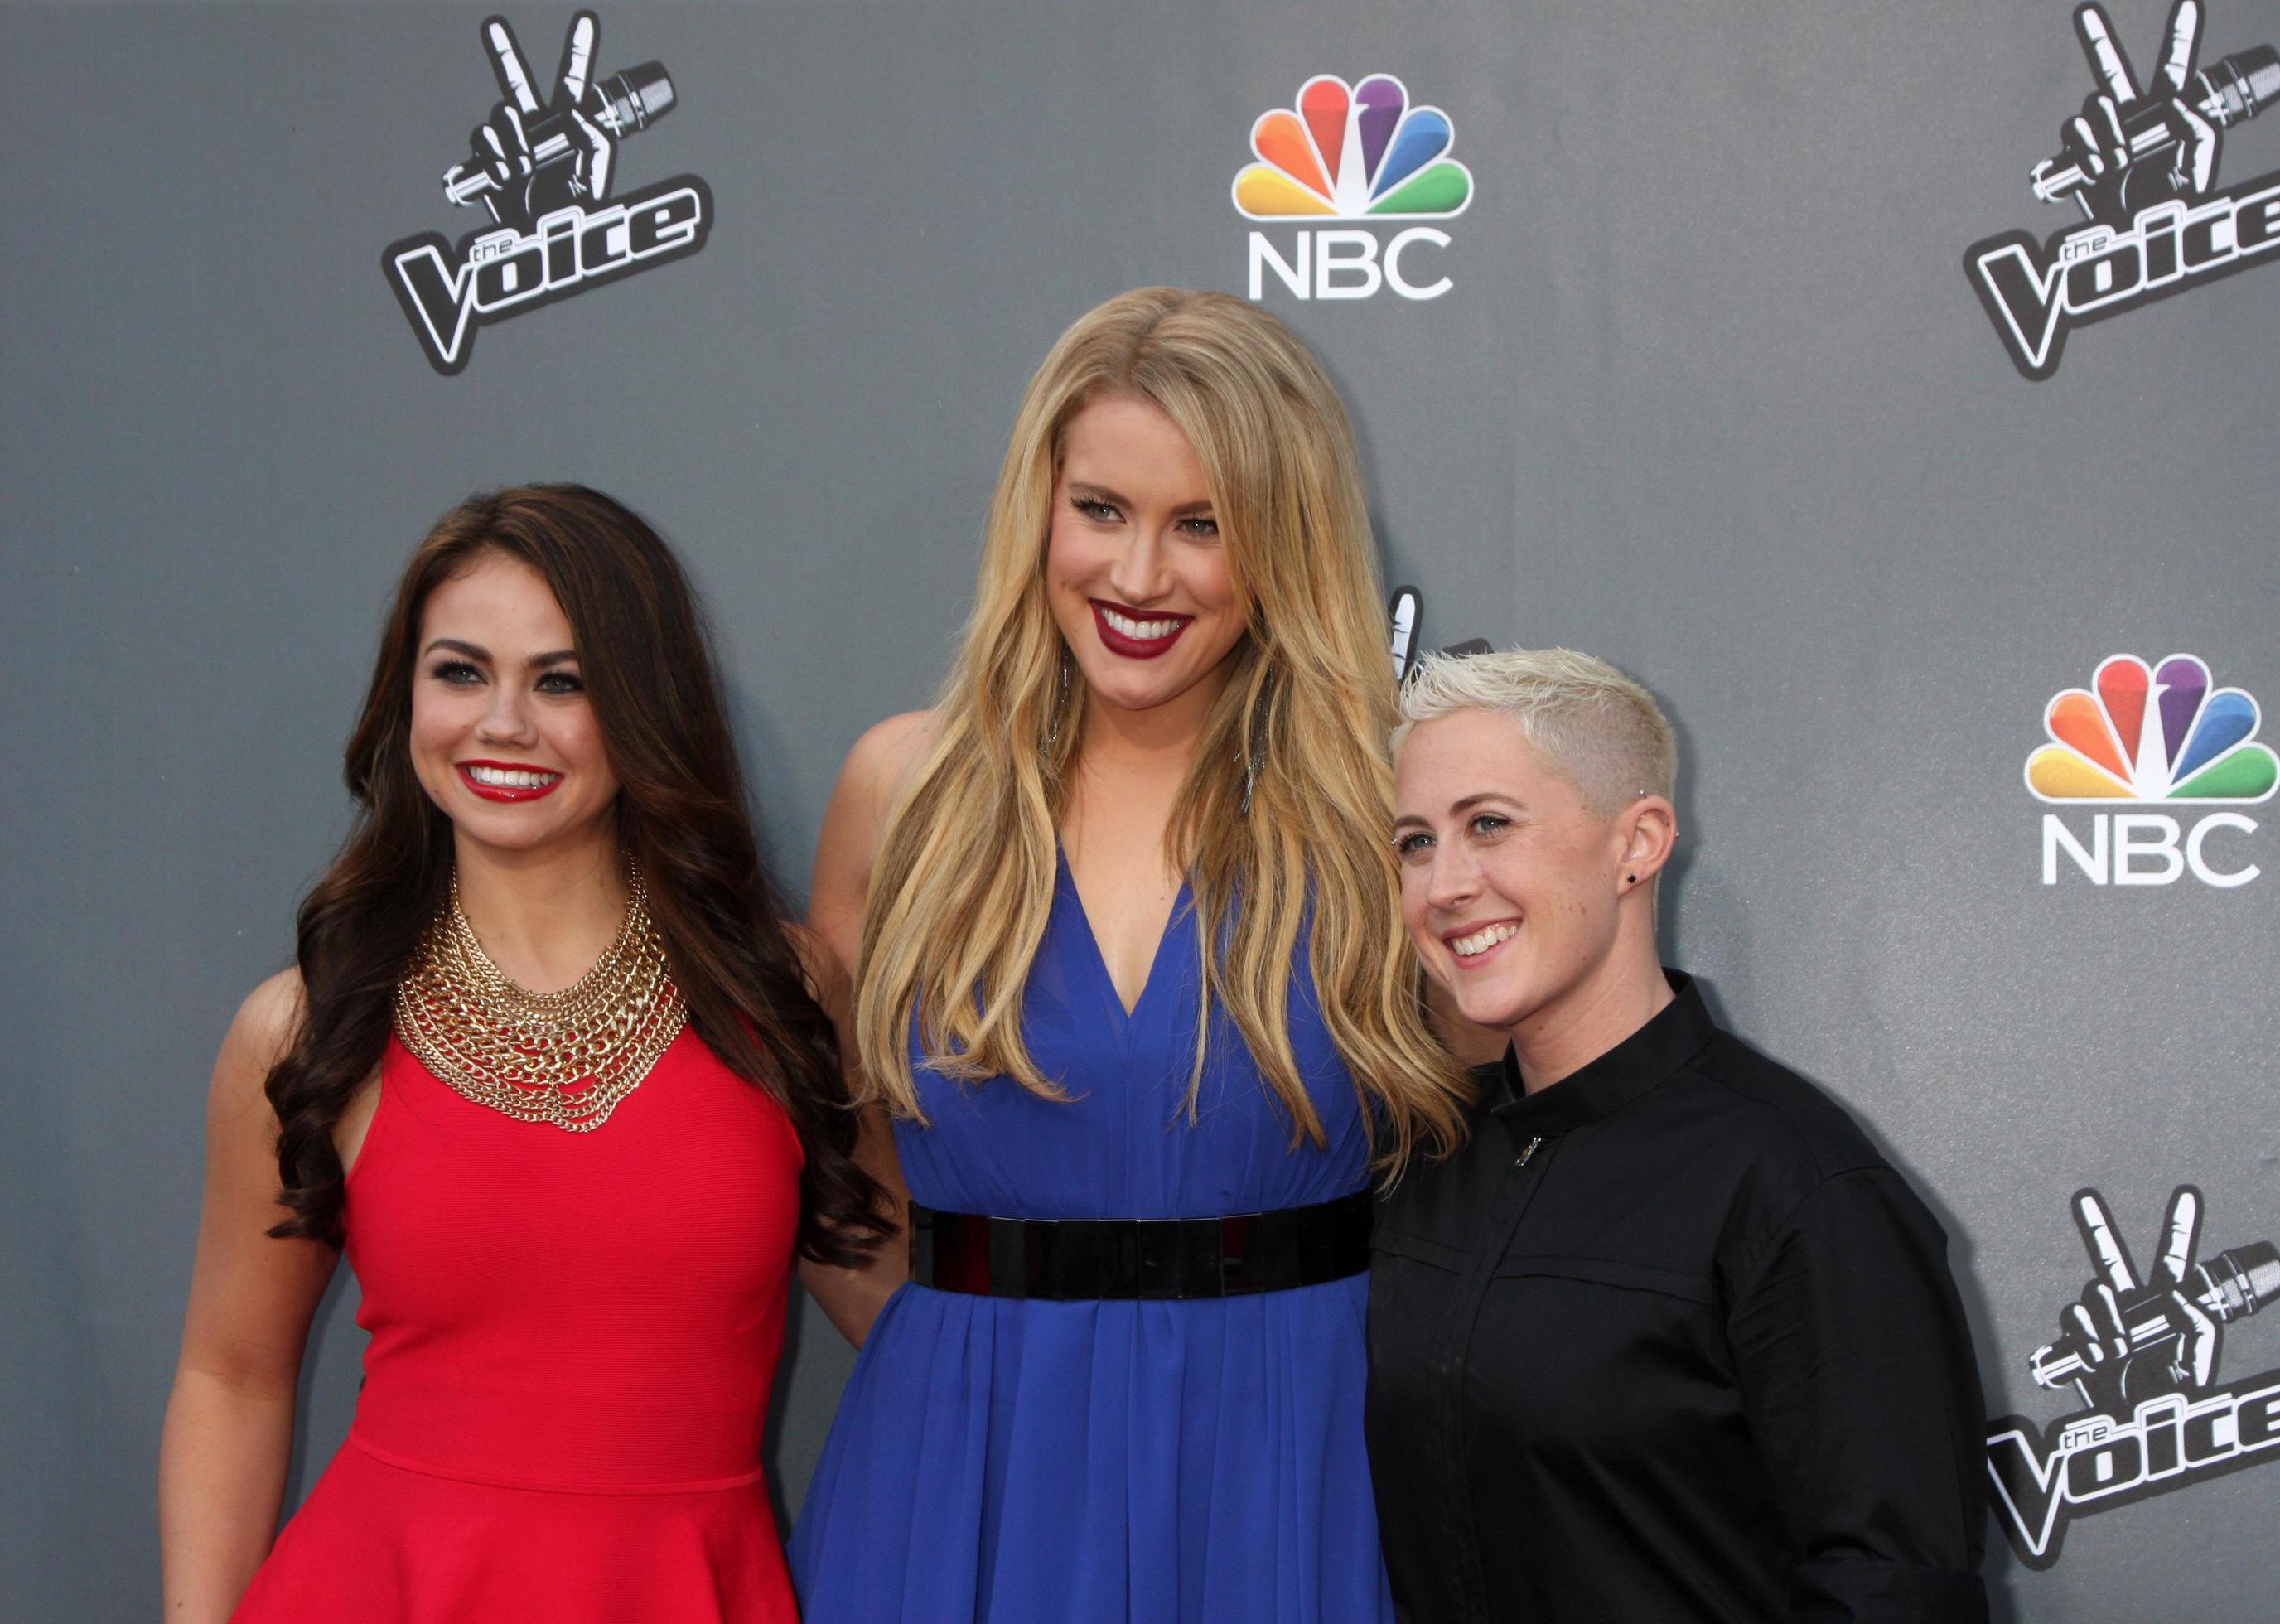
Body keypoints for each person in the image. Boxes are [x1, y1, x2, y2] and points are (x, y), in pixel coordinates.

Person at [785, 287, 1470, 1622]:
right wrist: (991, 1363)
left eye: (1202, 525)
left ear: (1283, 543)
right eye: (1101, 509)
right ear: (1036, 510)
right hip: (961, 1467)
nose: (1140, 577)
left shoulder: (1382, 806)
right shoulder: (906, 789)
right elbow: (841, 1168)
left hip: (1291, 1461)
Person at [158, 486, 887, 1624]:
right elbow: (231, 1376)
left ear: (643, 707)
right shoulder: (311, 1028)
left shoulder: (778, 995)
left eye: (563, 680)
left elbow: (897, 1300)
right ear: (407, 696)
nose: (504, 723)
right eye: (460, 672)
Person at [1369, 648, 1989, 1623]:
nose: (1444, 884)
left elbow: (1894, 1588)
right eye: (1414, 841)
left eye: (1489, 824)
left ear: (1640, 842)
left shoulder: (1796, 1186)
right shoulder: (1424, 1159)